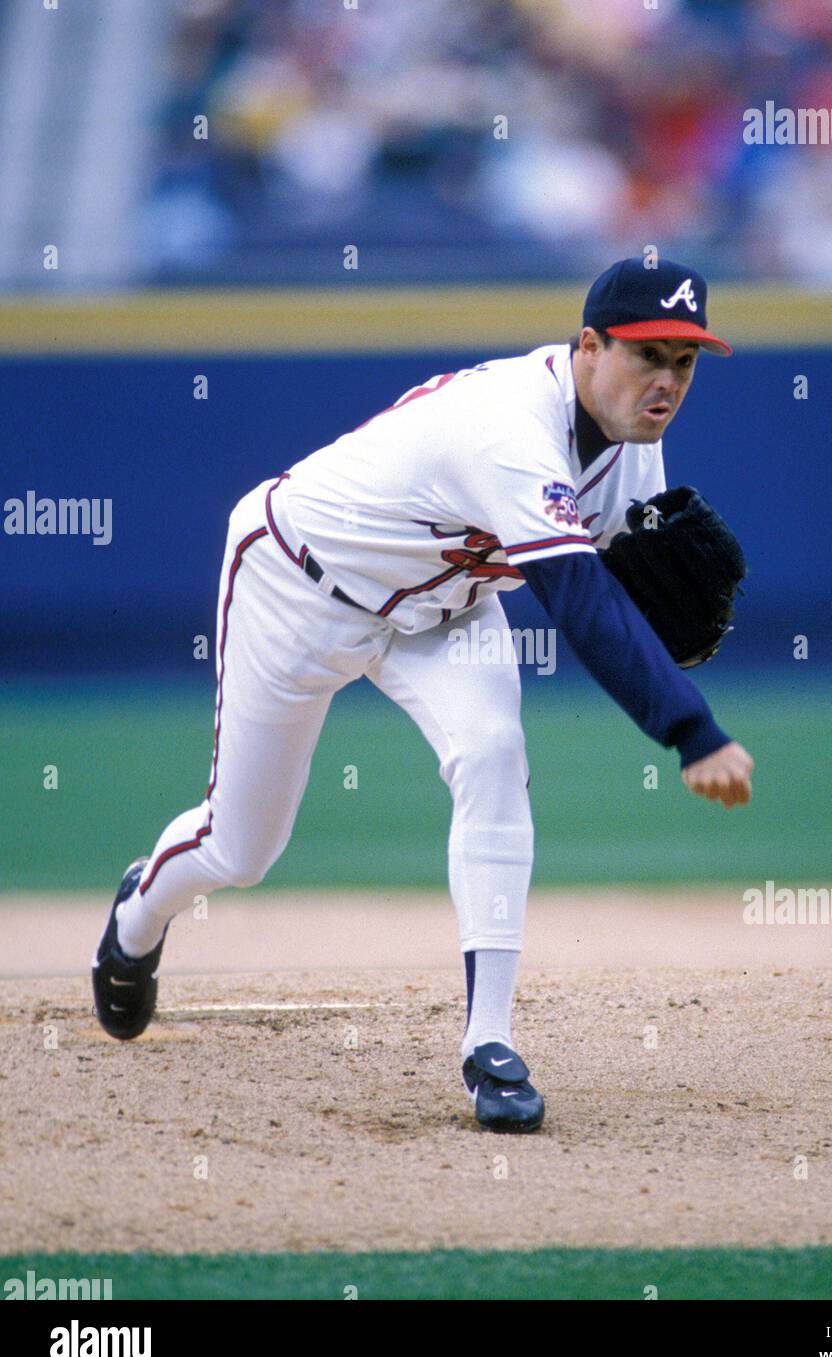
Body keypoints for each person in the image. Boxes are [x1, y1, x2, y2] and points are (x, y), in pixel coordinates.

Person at [92, 257, 754, 1133]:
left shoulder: (634, 446)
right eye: (647, 355)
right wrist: (689, 727)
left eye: (685, 361)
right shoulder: (508, 426)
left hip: (445, 607)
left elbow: (618, 579)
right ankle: (138, 917)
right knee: (241, 849)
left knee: (494, 758)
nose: (666, 380)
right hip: (298, 584)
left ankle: (490, 1045)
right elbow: (581, 600)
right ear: (589, 345)